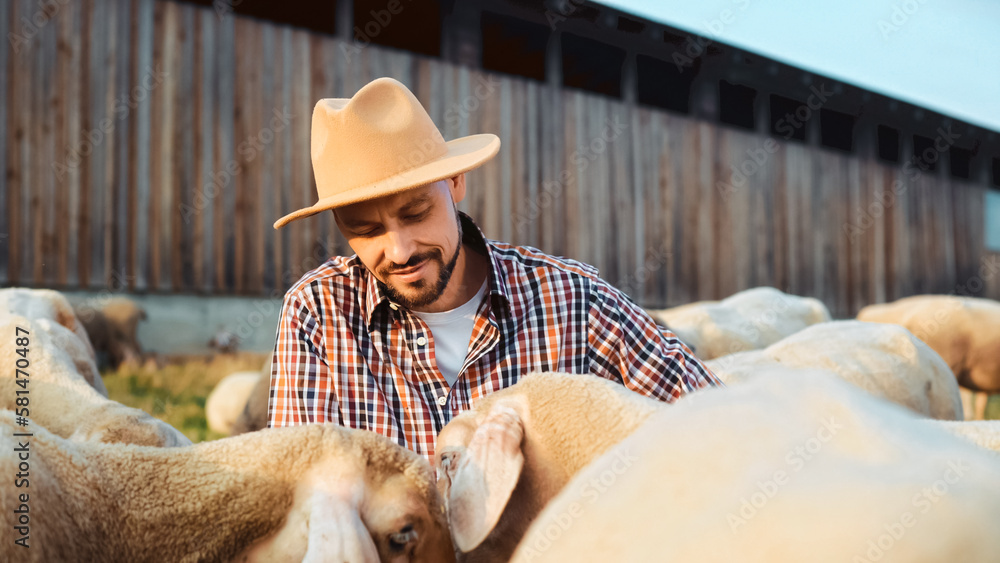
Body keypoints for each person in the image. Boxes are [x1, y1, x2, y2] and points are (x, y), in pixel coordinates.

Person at [268, 77, 721, 461]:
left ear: (455, 182)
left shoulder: (573, 302)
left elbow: (717, 417)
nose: (400, 250)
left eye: (415, 213)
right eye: (366, 230)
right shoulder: (317, 315)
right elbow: (303, 496)